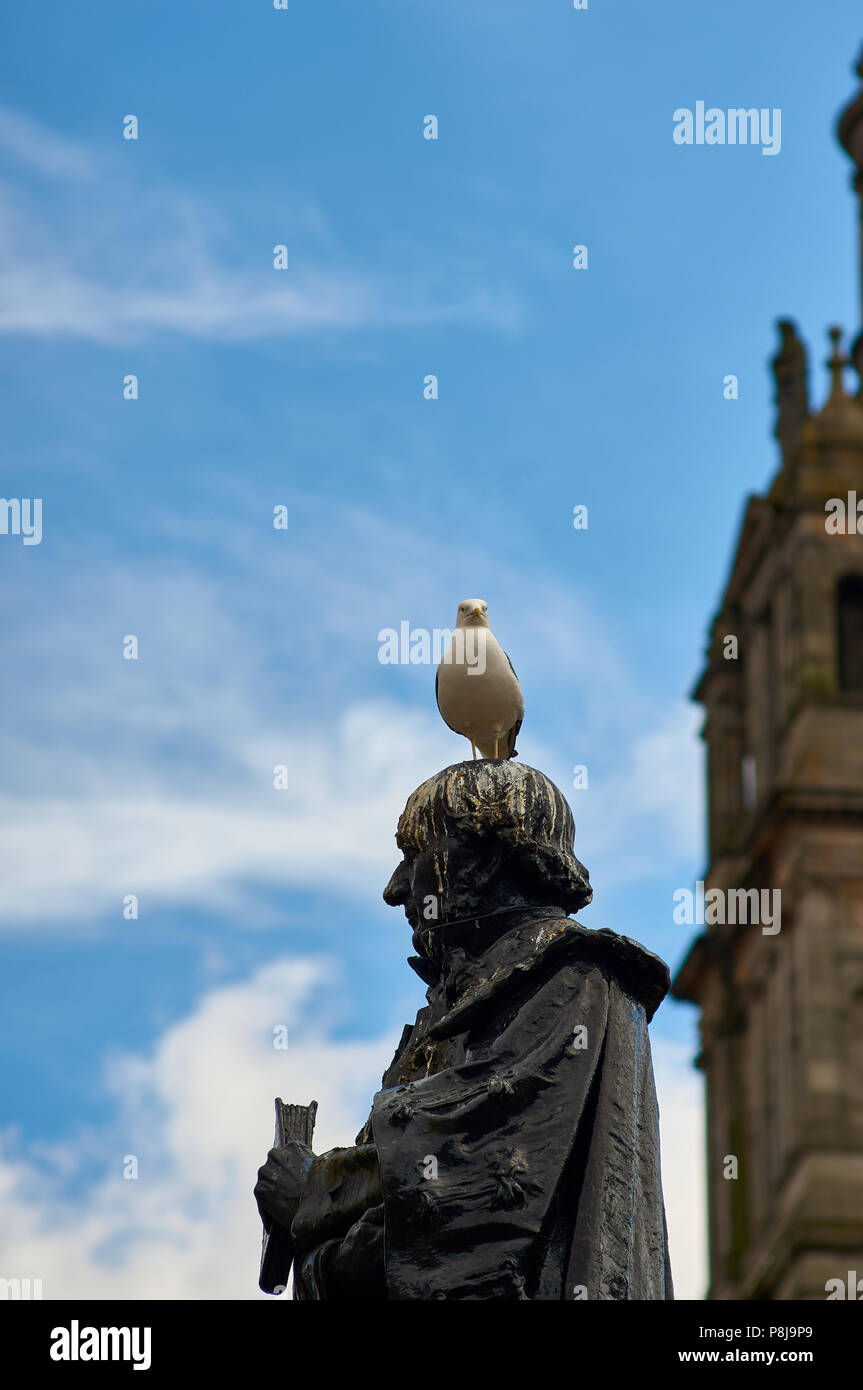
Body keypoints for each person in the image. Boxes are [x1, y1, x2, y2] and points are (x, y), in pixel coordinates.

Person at [255, 760, 674, 1300]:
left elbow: (468, 1185)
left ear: (485, 862)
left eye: (414, 856)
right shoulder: (461, 1010)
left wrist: (317, 1192)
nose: (395, 889)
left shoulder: (570, 979)